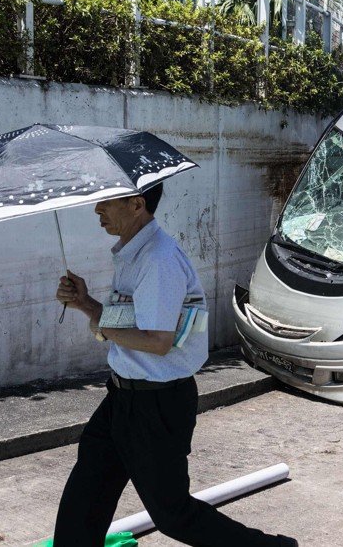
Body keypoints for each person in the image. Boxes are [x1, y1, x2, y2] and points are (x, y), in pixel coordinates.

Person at [53, 182, 295, 546]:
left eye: (106, 201)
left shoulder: (158, 260)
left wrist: (99, 320)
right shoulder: (133, 253)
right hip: (123, 397)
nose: (97, 209)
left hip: (156, 404)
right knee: (86, 493)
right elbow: (131, 325)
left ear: (136, 205)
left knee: (172, 514)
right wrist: (86, 303)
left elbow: (157, 341)